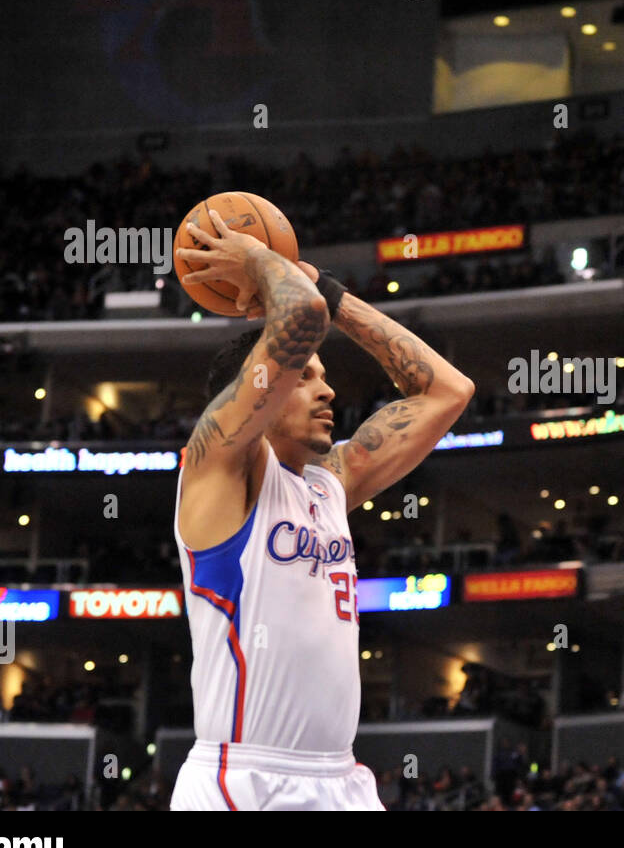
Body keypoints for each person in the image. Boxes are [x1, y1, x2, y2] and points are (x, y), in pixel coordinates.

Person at [169, 211, 474, 810]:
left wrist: (333, 295)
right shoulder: (221, 468)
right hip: (244, 779)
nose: (327, 390)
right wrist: (259, 259)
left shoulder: (329, 483)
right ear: (255, 392)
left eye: (323, 376)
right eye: (304, 376)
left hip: (341, 780)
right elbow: (300, 317)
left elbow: (448, 391)